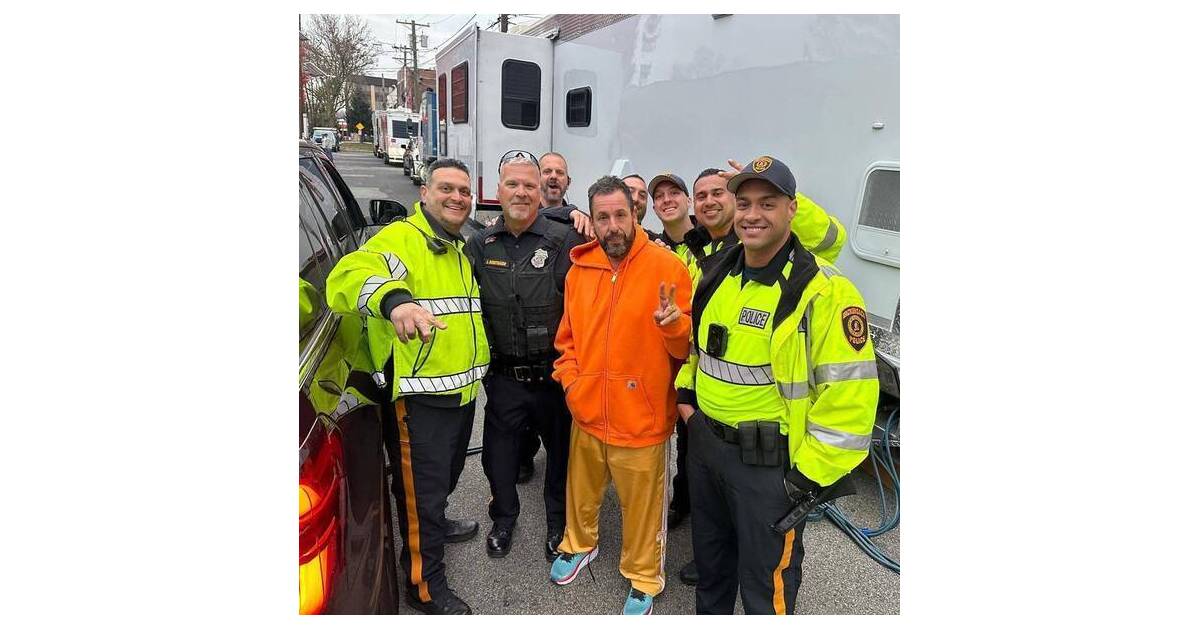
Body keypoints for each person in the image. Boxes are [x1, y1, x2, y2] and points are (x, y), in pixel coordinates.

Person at [674, 156, 879, 614]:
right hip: (707, 452)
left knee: (767, 591)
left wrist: (803, 479)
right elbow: (700, 352)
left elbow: (850, 398)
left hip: (770, 468)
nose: (753, 214)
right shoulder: (716, 273)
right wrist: (687, 405)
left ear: (792, 209)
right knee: (711, 573)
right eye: (745, 202)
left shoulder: (823, 290)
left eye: (768, 203)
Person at [325, 158, 490, 615]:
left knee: (438, 484)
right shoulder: (402, 239)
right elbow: (347, 275)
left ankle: (433, 525)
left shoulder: (456, 246)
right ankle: (425, 586)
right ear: (424, 193)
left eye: (464, 191)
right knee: (422, 495)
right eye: (446, 189)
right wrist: (395, 302)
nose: (457, 197)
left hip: (459, 393)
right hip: (419, 400)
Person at [548, 176, 692, 615]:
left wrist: (673, 325)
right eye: (603, 217)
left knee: (644, 510)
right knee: (581, 493)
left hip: (643, 421)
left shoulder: (668, 267)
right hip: (587, 413)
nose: (612, 226)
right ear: (592, 221)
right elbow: (567, 341)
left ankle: (644, 576)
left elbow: (685, 350)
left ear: (635, 214)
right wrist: (572, 384)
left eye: (620, 215)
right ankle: (579, 544)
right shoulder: (579, 270)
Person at [466, 150, 586, 562]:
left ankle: (557, 522)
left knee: (561, 457)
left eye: (529, 185)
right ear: (497, 191)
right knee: (498, 458)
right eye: (512, 184)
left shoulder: (567, 239)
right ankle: (503, 518)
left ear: (539, 193)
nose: (521, 192)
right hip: (505, 378)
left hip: (554, 377)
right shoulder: (480, 244)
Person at [516, 152, 591, 483]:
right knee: (522, 414)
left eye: (560, 172)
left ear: (568, 181)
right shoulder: (518, 220)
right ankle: (525, 454)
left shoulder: (580, 226)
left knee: (557, 412)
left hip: (560, 339)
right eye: (547, 171)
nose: (553, 176)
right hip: (521, 337)